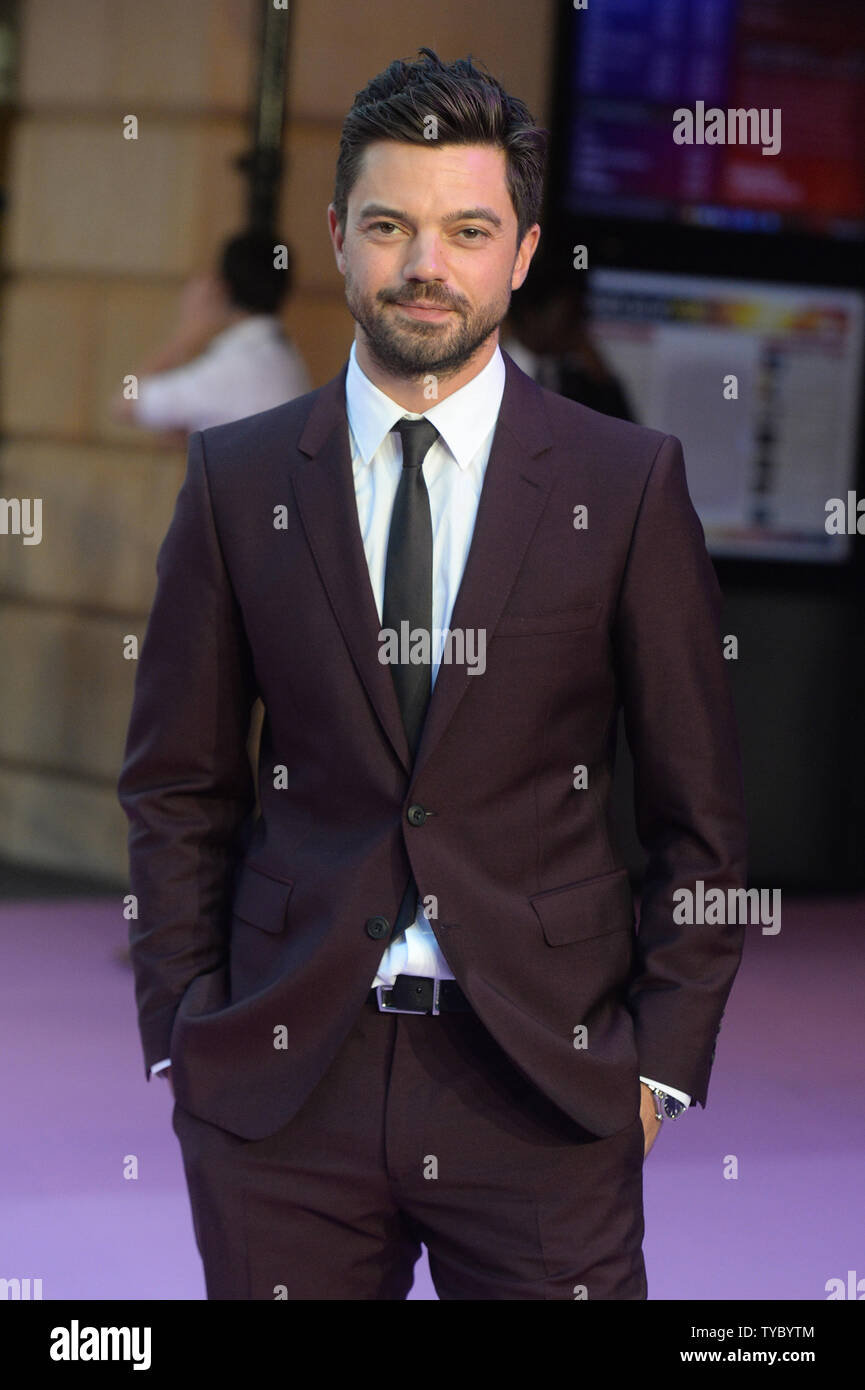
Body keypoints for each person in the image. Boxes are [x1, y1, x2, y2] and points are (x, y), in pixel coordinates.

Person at [117, 48, 748, 1300]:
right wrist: (183, 1032)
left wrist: (657, 1067)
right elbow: (176, 785)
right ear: (339, 240)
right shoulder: (240, 481)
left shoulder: (624, 485)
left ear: (520, 253)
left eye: (468, 229)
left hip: (545, 1089)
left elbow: (702, 818)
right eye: (391, 225)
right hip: (285, 1088)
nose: (426, 264)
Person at [112, 230, 311, 437]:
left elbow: (125, 400)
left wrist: (186, 335)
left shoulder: (233, 363)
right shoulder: (282, 355)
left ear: (221, 289)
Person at [502, 247, 636, 421]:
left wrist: (602, 379)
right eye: (570, 317)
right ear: (531, 315)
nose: (579, 328)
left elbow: (627, 437)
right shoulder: (494, 367)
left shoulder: (582, 381)